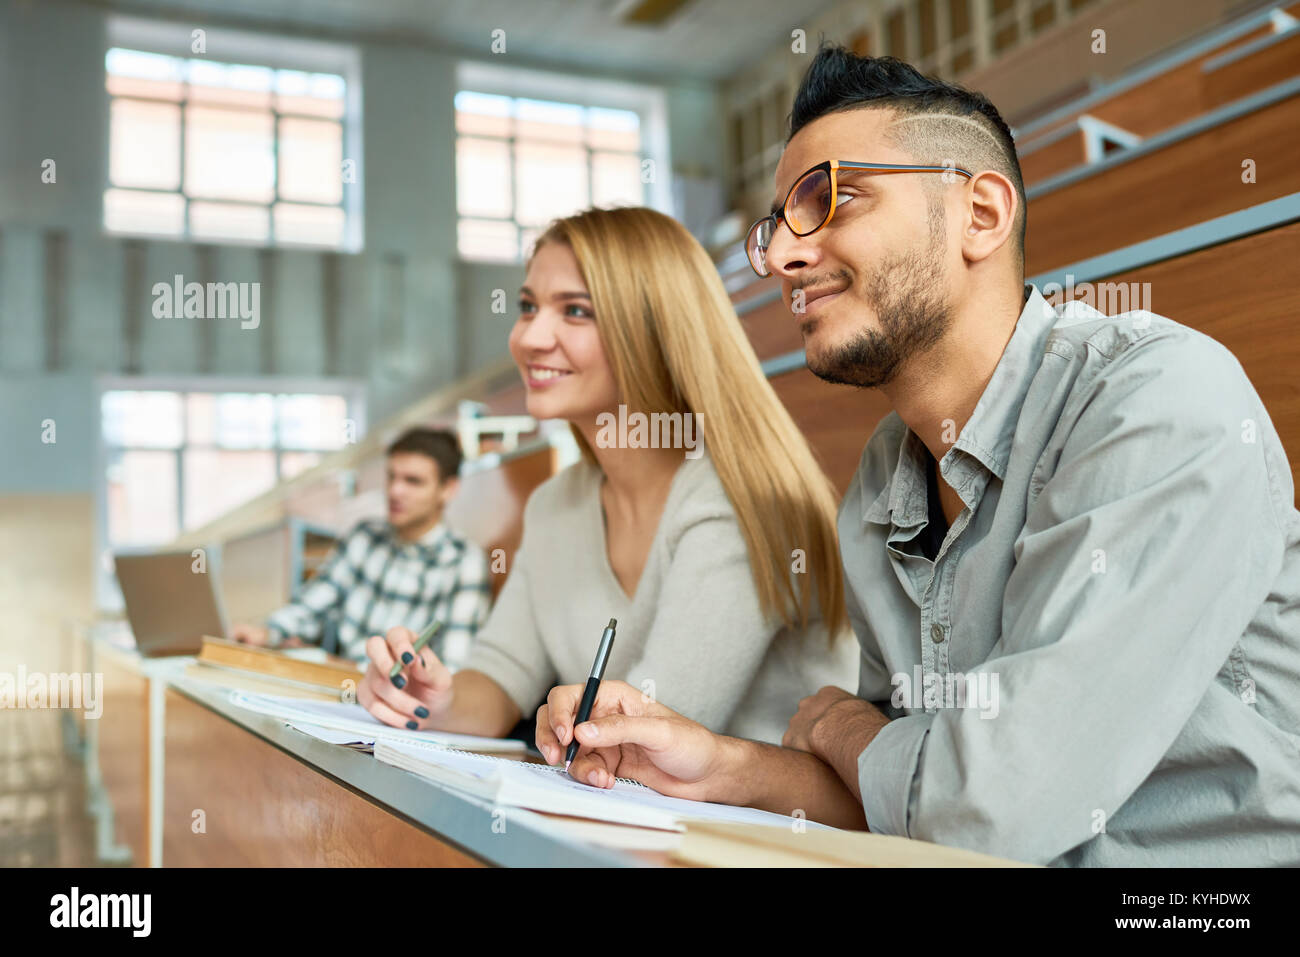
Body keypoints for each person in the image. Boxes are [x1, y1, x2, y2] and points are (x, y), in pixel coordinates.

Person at [537, 47, 1300, 865]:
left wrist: (838, 722)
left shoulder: (1157, 396)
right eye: (779, 228)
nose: (787, 259)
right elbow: (895, 794)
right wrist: (719, 763)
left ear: (981, 214)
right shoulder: (884, 471)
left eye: (835, 198)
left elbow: (991, 805)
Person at [356, 206, 858, 745]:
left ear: (654, 329)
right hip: (636, 814)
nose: (529, 338)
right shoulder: (555, 505)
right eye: (528, 307)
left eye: (575, 311)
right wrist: (433, 697)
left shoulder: (740, 499)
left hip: (757, 826)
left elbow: (652, 732)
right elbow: (499, 680)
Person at [230, 428, 491, 668]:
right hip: (337, 688)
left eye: (413, 481)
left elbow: (452, 670)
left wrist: (344, 668)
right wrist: (266, 632)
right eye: (392, 477)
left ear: (449, 489)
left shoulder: (463, 563)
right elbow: (312, 605)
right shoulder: (364, 536)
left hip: (395, 703)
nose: (395, 491)